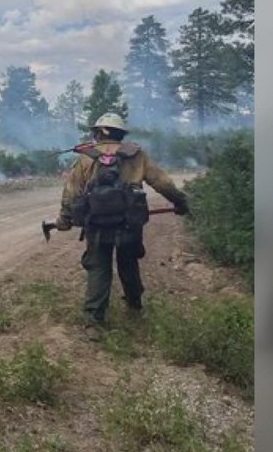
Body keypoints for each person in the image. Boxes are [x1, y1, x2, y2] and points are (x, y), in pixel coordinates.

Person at [56, 112, 189, 338]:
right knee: (128, 264)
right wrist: (180, 202)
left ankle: (93, 322)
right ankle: (135, 308)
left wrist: (64, 219)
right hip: (129, 223)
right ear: (121, 134)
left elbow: (72, 191)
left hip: (97, 225)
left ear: (97, 132)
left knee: (99, 267)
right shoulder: (136, 155)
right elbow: (162, 182)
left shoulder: (86, 157)